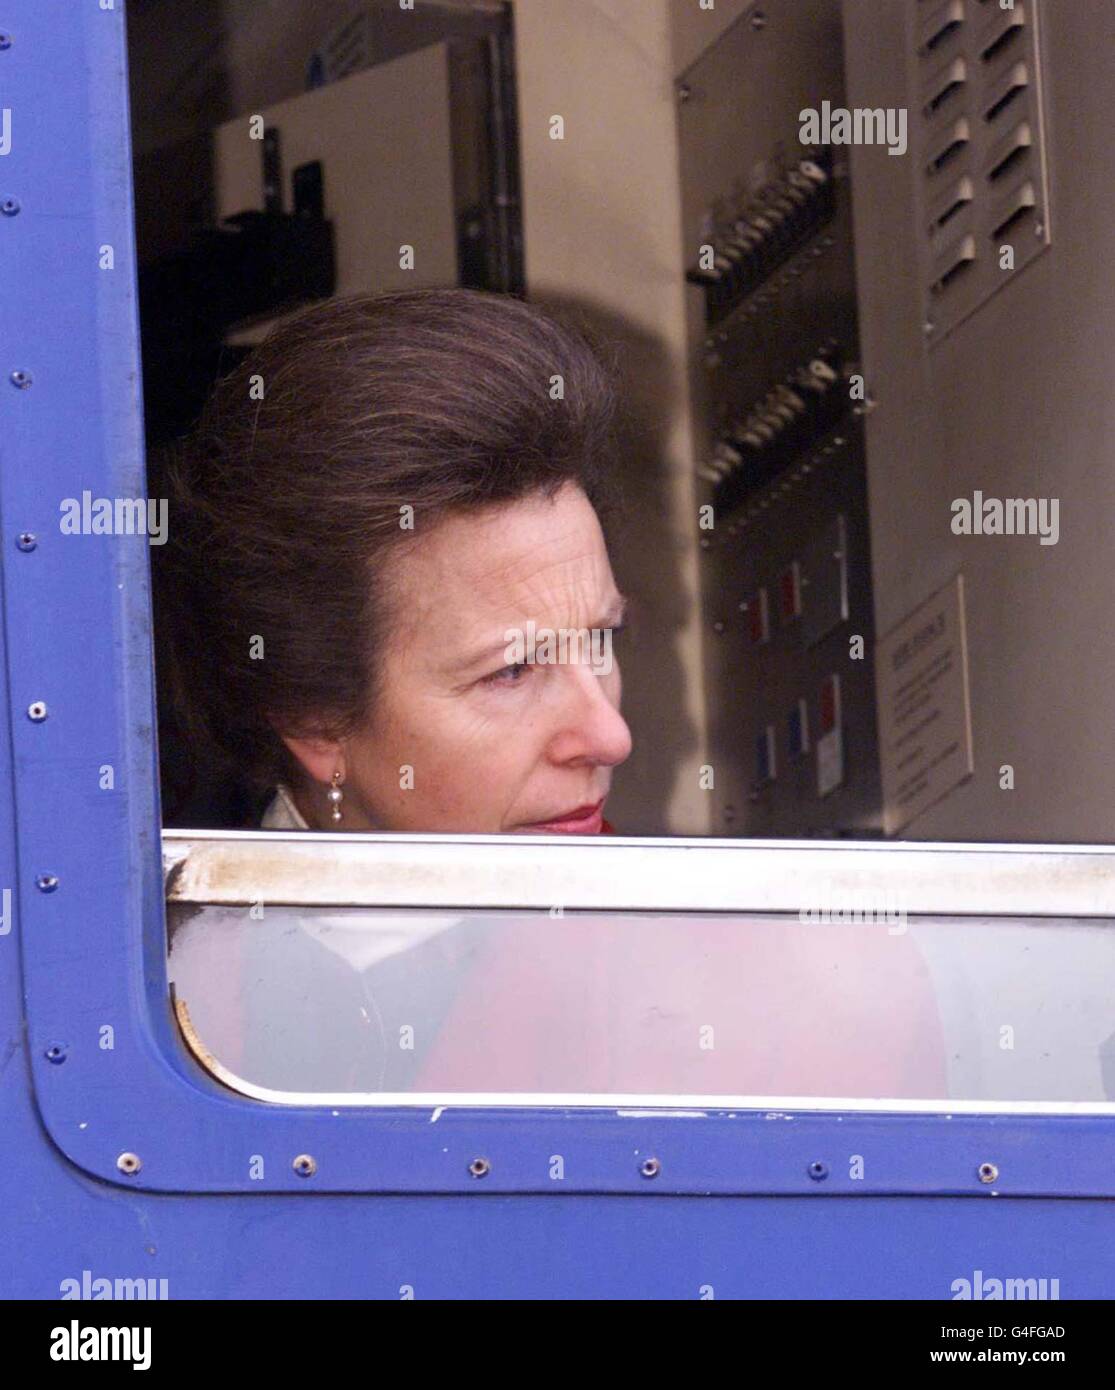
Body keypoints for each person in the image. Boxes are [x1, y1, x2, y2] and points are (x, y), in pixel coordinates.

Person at [155, 288, 632, 833]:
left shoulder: (663, 914)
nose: (611, 737)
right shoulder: (219, 922)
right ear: (316, 723)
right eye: (512, 670)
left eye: (601, 639)